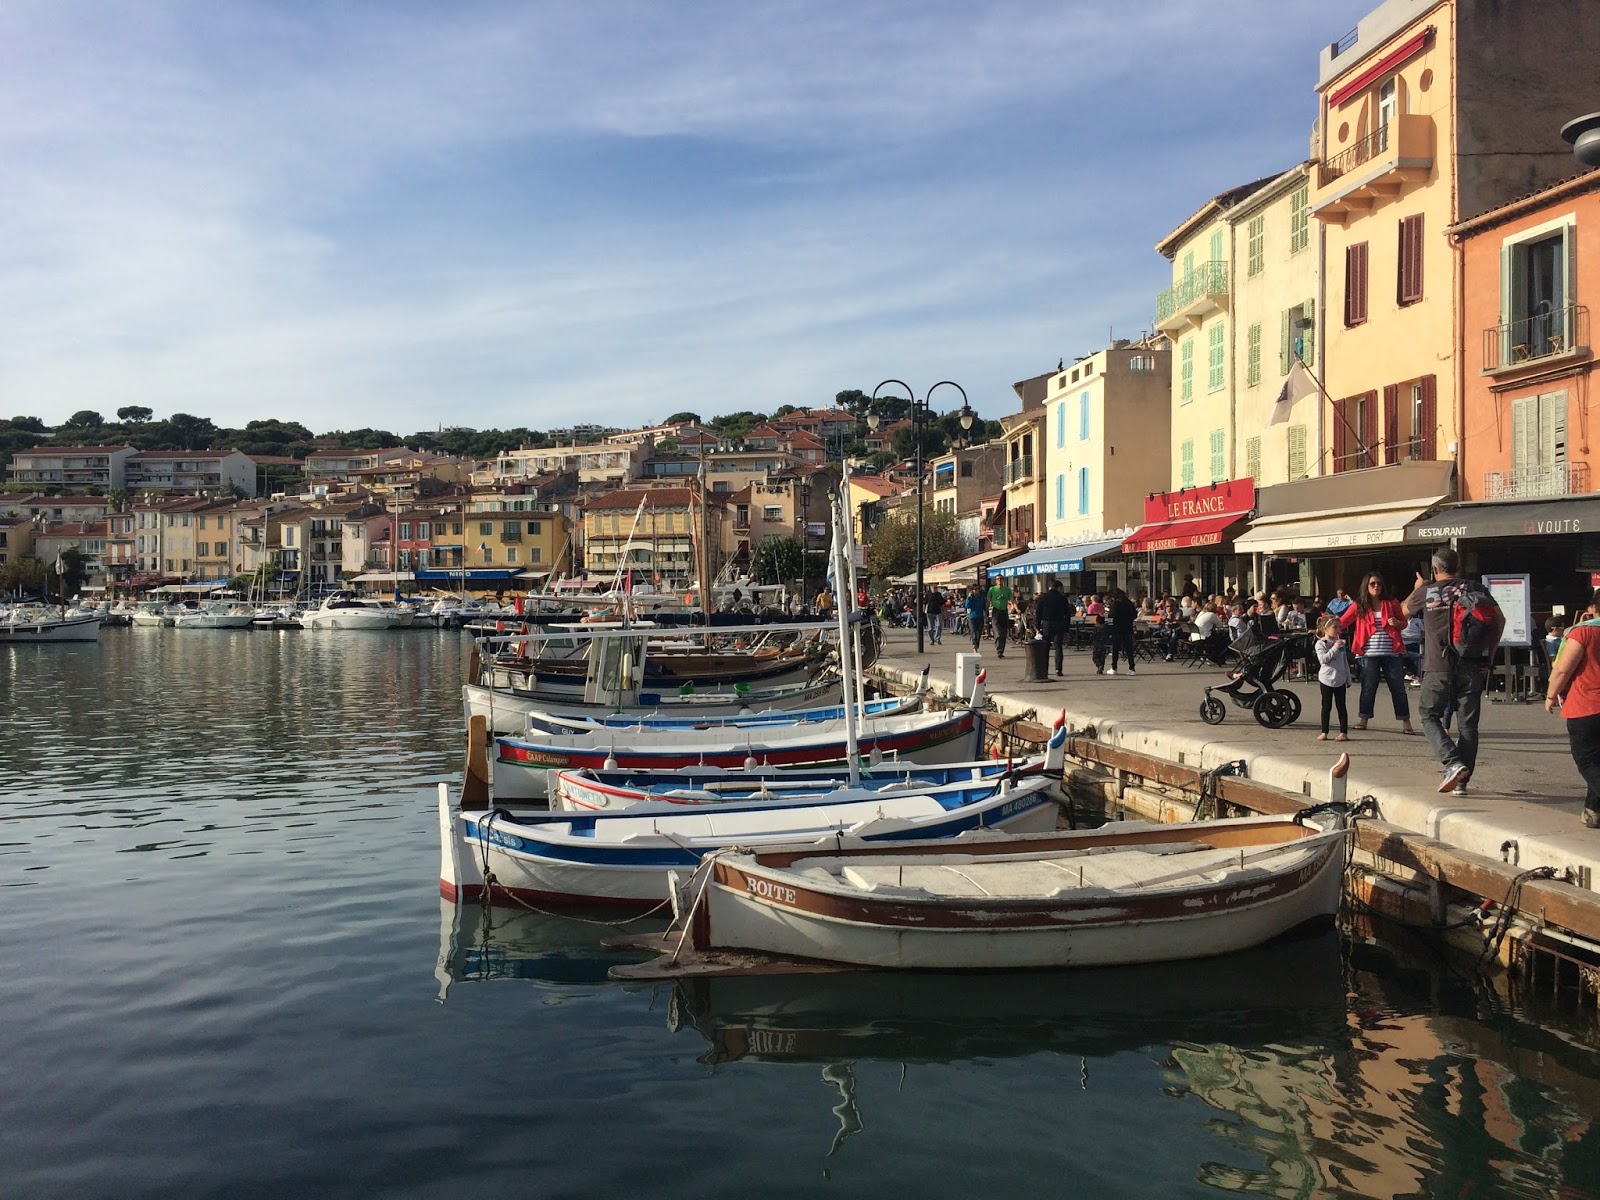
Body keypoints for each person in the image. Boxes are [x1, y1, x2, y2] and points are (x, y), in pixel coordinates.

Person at [1404, 548, 1505, 794]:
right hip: (1471, 664)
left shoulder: (1427, 592)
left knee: (1429, 715)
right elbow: (1499, 620)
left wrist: (1419, 586)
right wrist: (1488, 656)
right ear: (1459, 568)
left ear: (1435, 569)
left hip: (1437, 666)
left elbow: (1402, 611)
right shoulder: (1476, 588)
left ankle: (1452, 762)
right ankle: (1462, 782)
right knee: (1468, 726)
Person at [1544, 588, 1600, 828]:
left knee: (1587, 760)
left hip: (1587, 705)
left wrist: (1550, 695)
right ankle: (1593, 812)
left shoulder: (1583, 632)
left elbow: (1563, 669)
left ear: (1594, 608)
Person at [1340, 572, 1415, 734]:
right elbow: (1342, 622)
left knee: (1398, 688)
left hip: (1391, 652)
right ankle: (1363, 719)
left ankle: (1406, 722)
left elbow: (1403, 623)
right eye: (1373, 583)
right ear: (1366, 586)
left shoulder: (1391, 602)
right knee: (1368, 687)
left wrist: (1397, 622)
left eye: (1379, 584)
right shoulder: (1359, 605)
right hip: (1368, 653)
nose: (1376, 587)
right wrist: (1323, 627)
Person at [1313, 614, 1352, 742]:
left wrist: (1348, 676)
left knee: (1341, 706)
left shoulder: (1340, 643)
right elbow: (1323, 660)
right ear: (1326, 629)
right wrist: (1335, 648)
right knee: (1326, 706)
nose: (1338, 630)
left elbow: (1344, 661)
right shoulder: (1321, 643)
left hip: (1339, 678)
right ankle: (1324, 731)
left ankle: (1343, 732)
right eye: (1335, 627)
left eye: (1338, 627)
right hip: (1326, 679)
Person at [1034, 580, 1070, 676]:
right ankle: (1058, 669)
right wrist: (1067, 629)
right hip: (1059, 623)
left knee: (1045, 648)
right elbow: (1067, 614)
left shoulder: (1043, 597)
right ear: (1058, 588)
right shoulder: (1062, 598)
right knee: (1058, 647)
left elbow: (1038, 613)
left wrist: (1037, 626)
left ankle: (1044, 669)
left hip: (1046, 624)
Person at [1105, 588, 1138, 675]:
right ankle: (1132, 668)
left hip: (1117, 628)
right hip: (1128, 627)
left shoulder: (1115, 603)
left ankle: (1114, 667)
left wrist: (1108, 613)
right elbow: (1135, 614)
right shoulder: (1129, 602)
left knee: (1115, 649)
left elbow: (1112, 614)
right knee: (1129, 649)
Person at [987, 576, 1014, 657]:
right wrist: (986, 612)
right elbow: (988, 601)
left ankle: (1001, 651)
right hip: (996, 612)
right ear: (995, 581)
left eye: (1001, 579)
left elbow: (1012, 600)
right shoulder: (992, 589)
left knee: (1003, 633)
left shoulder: (1007, 590)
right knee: (998, 632)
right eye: (998, 579)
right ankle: (999, 649)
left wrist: (1017, 609)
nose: (999, 580)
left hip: (1004, 612)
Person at [963, 584, 986, 652]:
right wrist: (969, 597)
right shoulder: (970, 598)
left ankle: (976, 645)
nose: (977, 590)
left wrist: (986, 616)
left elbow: (984, 607)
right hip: (972, 617)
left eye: (978, 589)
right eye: (975, 589)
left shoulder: (981, 597)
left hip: (980, 617)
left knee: (979, 633)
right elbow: (967, 606)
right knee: (974, 632)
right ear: (972, 590)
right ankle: (974, 645)